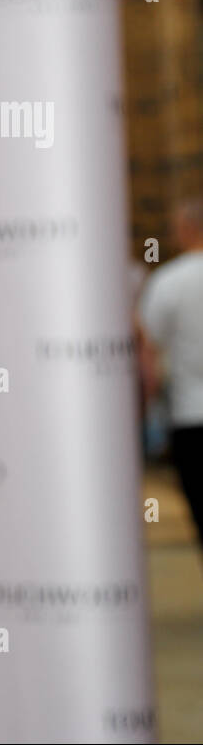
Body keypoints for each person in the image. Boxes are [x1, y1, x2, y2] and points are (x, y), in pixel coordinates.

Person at [138, 198, 203, 551]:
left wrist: (148, 414)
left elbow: (149, 350)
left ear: (185, 230)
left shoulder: (169, 281)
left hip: (191, 415)